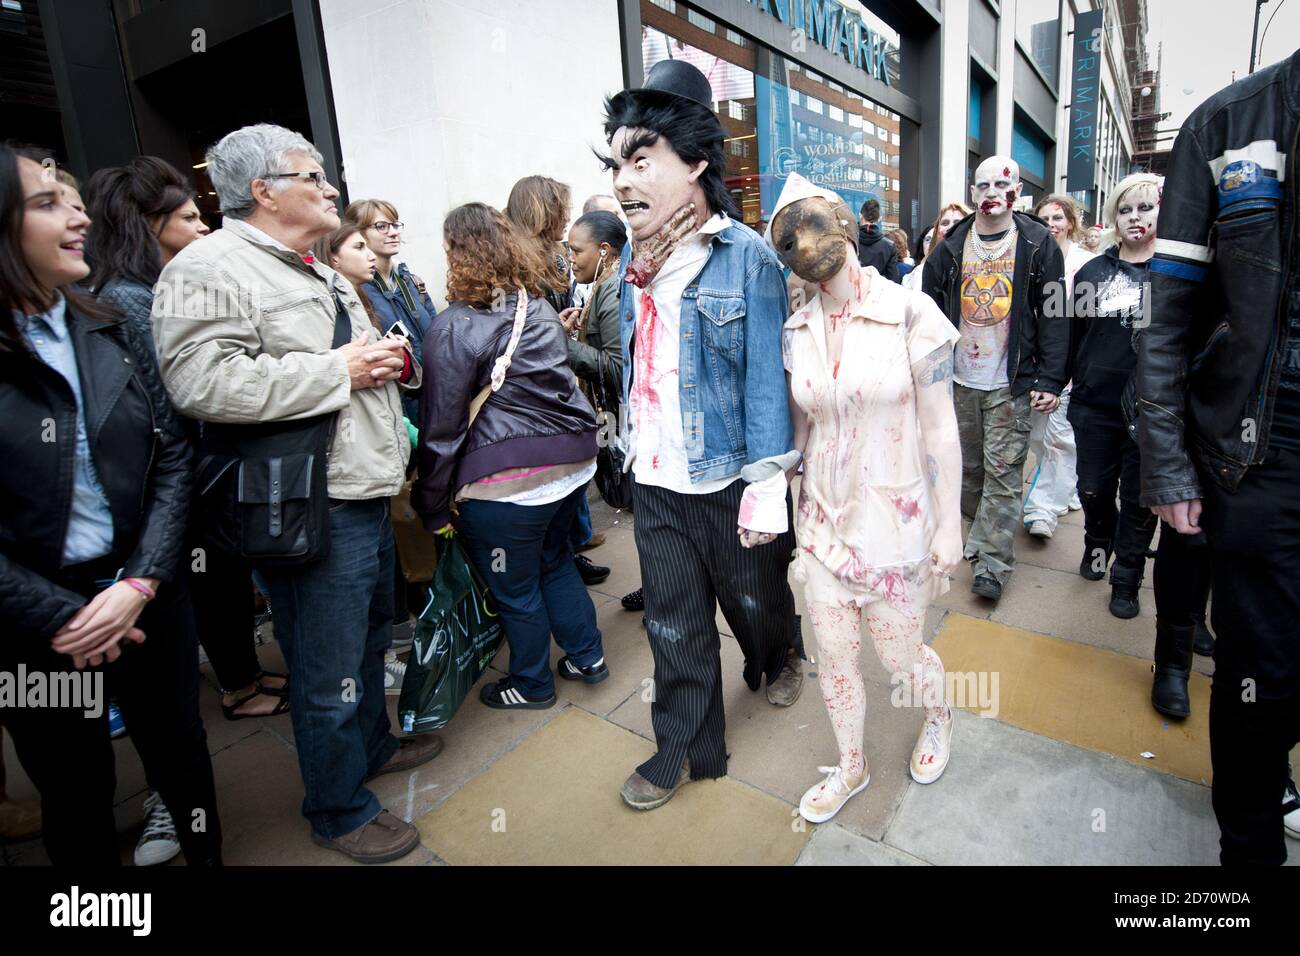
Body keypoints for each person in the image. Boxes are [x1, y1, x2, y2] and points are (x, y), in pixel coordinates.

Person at [152, 123, 440, 864]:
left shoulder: (310, 265)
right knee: (326, 664)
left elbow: (345, 362)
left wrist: (385, 363)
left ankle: (371, 748)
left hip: (361, 488)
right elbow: (200, 383)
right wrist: (338, 370)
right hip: (310, 502)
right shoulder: (208, 266)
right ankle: (339, 808)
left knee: (369, 639)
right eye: (313, 176)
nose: (330, 189)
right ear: (263, 191)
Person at [0, 143, 222, 866]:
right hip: (38, 632)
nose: (78, 217)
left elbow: (172, 457)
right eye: (47, 202)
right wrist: (64, 618)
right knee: (75, 791)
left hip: (145, 594)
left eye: (72, 198)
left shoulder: (113, 322)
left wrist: (139, 582)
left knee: (182, 761)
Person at [601, 59, 804, 811]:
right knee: (673, 626)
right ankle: (683, 747)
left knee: (756, 608)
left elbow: (763, 386)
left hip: (728, 481)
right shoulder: (632, 259)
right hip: (656, 480)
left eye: (641, 159)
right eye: (617, 162)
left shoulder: (746, 258)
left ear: (694, 163)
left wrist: (765, 488)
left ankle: (780, 653)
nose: (623, 181)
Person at [1136, 48, 1300, 865]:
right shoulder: (1228, 127)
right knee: (1256, 675)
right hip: (1262, 460)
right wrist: (1166, 463)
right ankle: (1249, 846)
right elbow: (1167, 318)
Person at [768, 175, 963, 823]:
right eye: (792, 241)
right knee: (836, 658)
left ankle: (938, 715)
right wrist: (780, 507)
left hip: (897, 524)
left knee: (900, 657)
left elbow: (939, 425)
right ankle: (851, 764)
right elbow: (800, 430)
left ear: (847, 230)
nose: (807, 249)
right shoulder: (796, 329)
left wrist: (947, 525)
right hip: (825, 525)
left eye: (815, 229)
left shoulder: (912, 313)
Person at [81, 154, 258, 867]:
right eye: (187, 215)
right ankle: (167, 805)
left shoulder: (154, 291)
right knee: (154, 707)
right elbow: (171, 426)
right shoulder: (126, 302)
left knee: (171, 699)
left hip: (165, 527)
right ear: (147, 224)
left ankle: (178, 806)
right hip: (146, 534)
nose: (204, 222)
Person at [413, 202, 607, 708]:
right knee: (555, 563)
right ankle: (588, 657)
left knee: (514, 589)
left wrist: (432, 507)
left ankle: (532, 684)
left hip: (507, 484)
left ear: (456, 253)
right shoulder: (536, 305)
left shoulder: (454, 327)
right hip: (568, 469)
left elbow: (441, 432)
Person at [921, 157, 1067, 603]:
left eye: (1000, 183)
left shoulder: (1039, 244)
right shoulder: (950, 247)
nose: (991, 191)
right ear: (972, 192)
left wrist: (1051, 378)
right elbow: (928, 312)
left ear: (1017, 189)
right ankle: (976, 534)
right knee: (967, 474)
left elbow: (1057, 315)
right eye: (982, 184)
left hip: (1011, 382)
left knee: (1004, 476)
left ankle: (992, 563)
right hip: (958, 382)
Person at [1069, 173, 1162, 619]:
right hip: (1095, 405)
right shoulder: (1093, 271)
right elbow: (1072, 338)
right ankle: (1097, 543)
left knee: (1141, 500)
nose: (1135, 218)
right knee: (1093, 489)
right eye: (1125, 210)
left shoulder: (1176, 272)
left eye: (1145, 207)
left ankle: (1127, 577)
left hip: (1153, 409)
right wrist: (1054, 384)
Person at [1021, 193, 1094, 540]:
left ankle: (1042, 509)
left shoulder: (1085, 266)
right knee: (1038, 436)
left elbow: (1087, 321)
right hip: (1036, 366)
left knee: (1060, 440)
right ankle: (1066, 485)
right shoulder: (1031, 259)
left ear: (1070, 223)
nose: (1051, 225)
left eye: (1058, 218)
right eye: (1045, 219)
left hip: (1071, 368)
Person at [345, 198, 437, 424]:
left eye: (395, 225)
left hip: (435, 398)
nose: (393, 233)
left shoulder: (413, 282)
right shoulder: (356, 292)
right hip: (397, 406)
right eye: (381, 226)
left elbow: (439, 335)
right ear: (358, 234)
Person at [903, 202, 969, 292]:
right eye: (945, 223)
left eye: (958, 222)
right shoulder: (921, 272)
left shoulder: (976, 266)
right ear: (937, 233)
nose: (950, 227)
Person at [856, 197, 899, 281]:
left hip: (854, 291)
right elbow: (893, 280)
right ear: (879, 219)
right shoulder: (889, 246)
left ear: (860, 215)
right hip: (877, 292)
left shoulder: (849, 241)